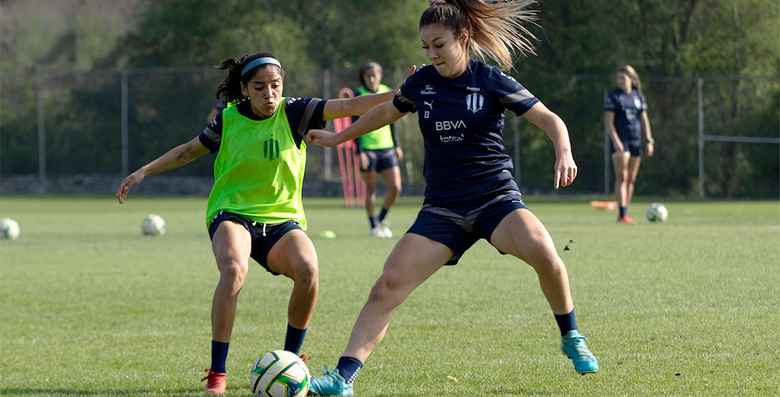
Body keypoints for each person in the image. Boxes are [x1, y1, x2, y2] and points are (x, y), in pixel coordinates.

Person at [304, 1, 599, 395]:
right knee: (387, 286)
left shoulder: (490, 80)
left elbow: (549, 119)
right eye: (425, 47)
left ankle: (572, 336)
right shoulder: (421, 84)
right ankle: (343, 379)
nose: (431, 54)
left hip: (495, 198)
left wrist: (563, 150)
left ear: (462, 38)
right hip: (443, 208)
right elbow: (383, 114)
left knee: (545, 252)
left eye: (438, 44)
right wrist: (339, 136)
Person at [114, 52, 395, 395]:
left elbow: (350, 107)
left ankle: (291, 361)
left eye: (275, 86)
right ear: (245, 89)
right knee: (234, 270)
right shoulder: (228, 119)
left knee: (308, 268)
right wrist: (144, 170)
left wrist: (401, 93)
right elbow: (189, 150)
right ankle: (218, 372)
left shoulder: (297, 111)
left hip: (281, 219)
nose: (269, 94)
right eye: (260, 87)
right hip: (232, 212)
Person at [352, 62, 403, 238]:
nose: (372, 78)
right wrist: (361, 151)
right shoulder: (358, 94)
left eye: (375, 75)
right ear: (363, 77)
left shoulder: (387, 91)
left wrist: (396, 145)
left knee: (395, 187)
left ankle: (381, 219)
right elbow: (354, 125)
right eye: (368, 76)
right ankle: (373, 225)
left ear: (380, 75)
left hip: (387, 148)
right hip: (368, 150)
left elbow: (392, 120)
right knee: (371, 189)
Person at [604, 65, 655, 223]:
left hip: (635, 140)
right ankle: (621, 214)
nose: (619, 80)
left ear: (632, 79)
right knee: (622, 176)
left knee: (631, 179)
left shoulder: (638, 96)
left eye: (623, 77)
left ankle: (626, 211)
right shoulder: (613, 96)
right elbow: (609, 123)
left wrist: (648, 140)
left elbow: (644, 120)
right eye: (618, 77)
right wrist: (616, 141)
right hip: (621, 141)